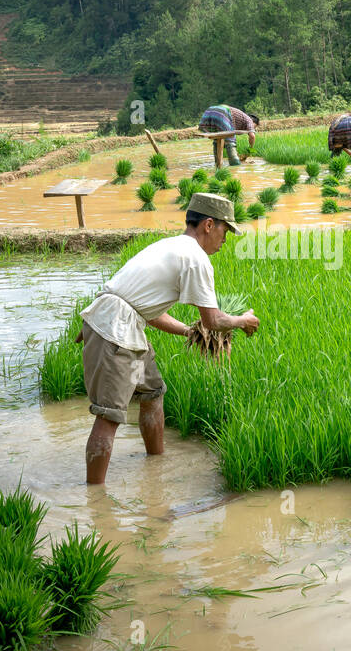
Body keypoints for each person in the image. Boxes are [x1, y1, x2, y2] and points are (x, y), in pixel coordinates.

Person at [74, 192, 259, 484]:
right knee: (109, 416)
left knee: (153, 392)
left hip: (121, 326)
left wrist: (189, 331)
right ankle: (94, 498)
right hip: (116, 332)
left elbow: (144, 311)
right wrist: (243, 321)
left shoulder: (169, 246)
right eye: (225, 230)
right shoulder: (196, 258)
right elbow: (214, 320)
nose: (226, 239)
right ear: (209, 225)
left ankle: (155, 466)